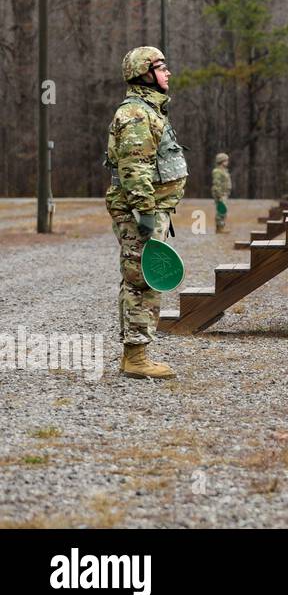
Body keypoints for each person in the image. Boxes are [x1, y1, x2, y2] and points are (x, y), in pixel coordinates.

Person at [105, 46, 187, 379]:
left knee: (142, 277)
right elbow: (135, 168)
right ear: (145, 73)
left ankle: (136, 352)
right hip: (141, 212)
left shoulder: (150, 111)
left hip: (150, 209)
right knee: (141, 280)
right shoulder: (137, 114)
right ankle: (136, 357)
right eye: (161, 67)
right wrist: (145, 213)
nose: (168, 73)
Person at [211, 152, 231, 233]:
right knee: (221, 210)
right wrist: (219, 194)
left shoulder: (224, 170)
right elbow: (217, 183)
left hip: (224, 193)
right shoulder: (217, 171)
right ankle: (219, 228)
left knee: (223, 210)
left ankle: (221, 227)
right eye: (226, 161)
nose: (227, 162)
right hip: (220, 194)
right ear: (221, 161)